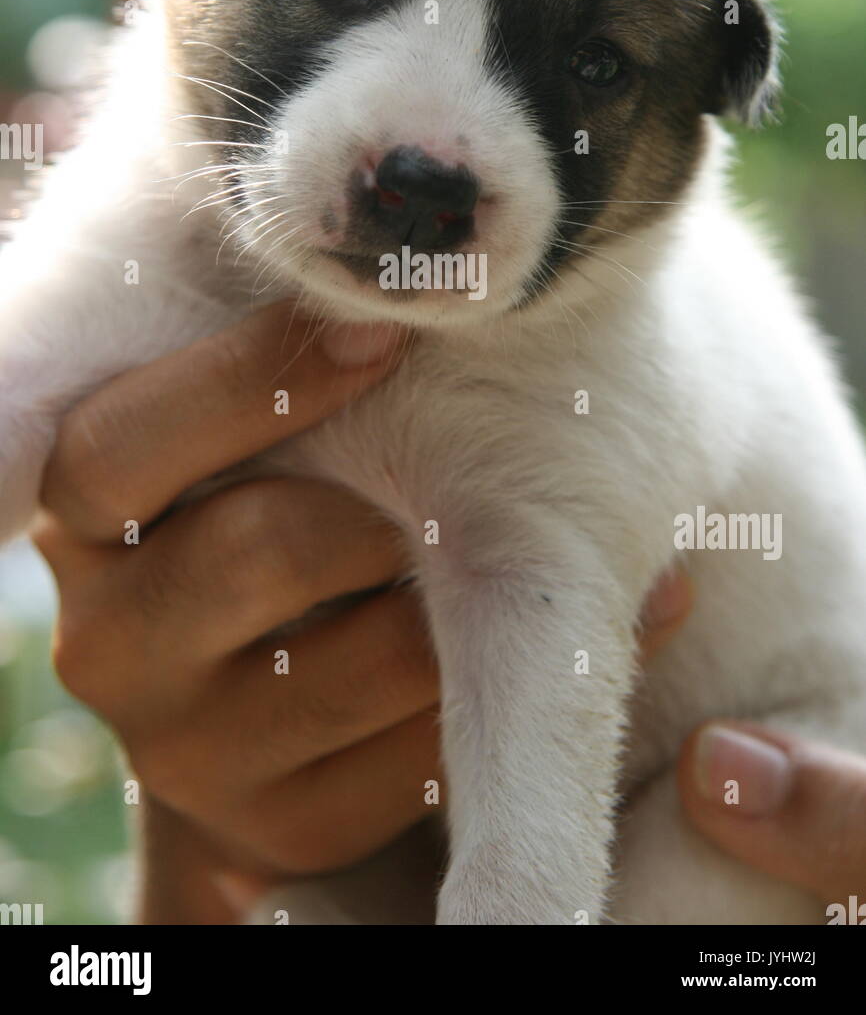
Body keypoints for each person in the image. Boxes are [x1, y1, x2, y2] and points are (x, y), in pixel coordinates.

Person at [30, 306, 866, 924]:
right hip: (392, 849)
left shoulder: (643, 324)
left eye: (592, 60)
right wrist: (204, 845)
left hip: (759, 750)